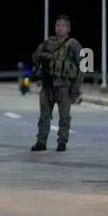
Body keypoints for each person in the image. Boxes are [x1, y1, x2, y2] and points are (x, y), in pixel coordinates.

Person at [30, 14, 82, 151]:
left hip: (64, 86)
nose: (60, 28)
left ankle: (62, 142)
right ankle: (41, 141)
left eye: (63, 26)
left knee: (64, 117)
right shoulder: (47, 43)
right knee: (44, 116)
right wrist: (43, 56)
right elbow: (35, 57)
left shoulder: (74, 45)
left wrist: (76, 89)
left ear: (68, 28)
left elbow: (82, 68)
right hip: (47, 85)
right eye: (58, 25)